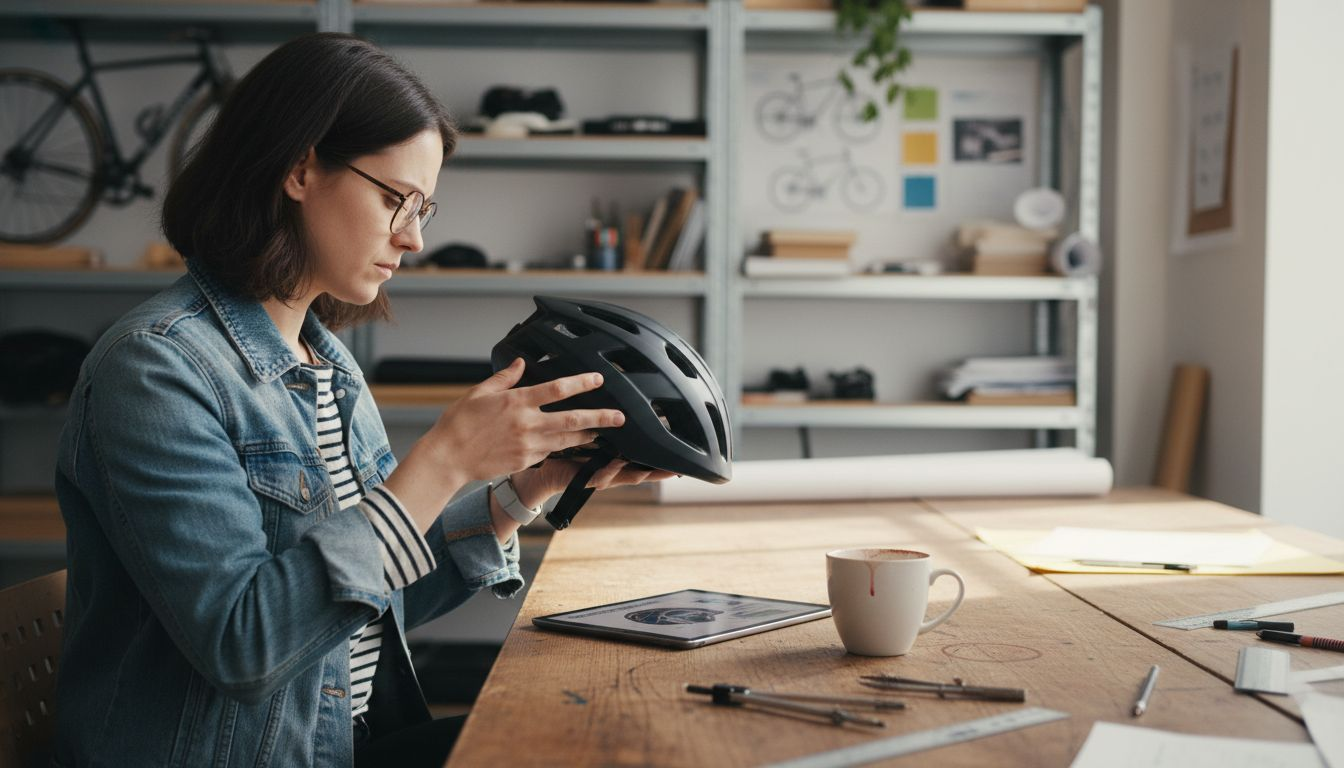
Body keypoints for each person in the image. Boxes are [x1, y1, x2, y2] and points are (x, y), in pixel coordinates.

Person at [53, 33, 670, 767]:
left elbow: (370, 595)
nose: (411, 239)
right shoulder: (153, 370)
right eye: (394, 199)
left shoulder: (326, 361)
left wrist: (526, 489)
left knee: (614, 733)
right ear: (300, 168)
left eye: (425, 209)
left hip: (339, 746)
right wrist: (440, 463)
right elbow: (242, 643)